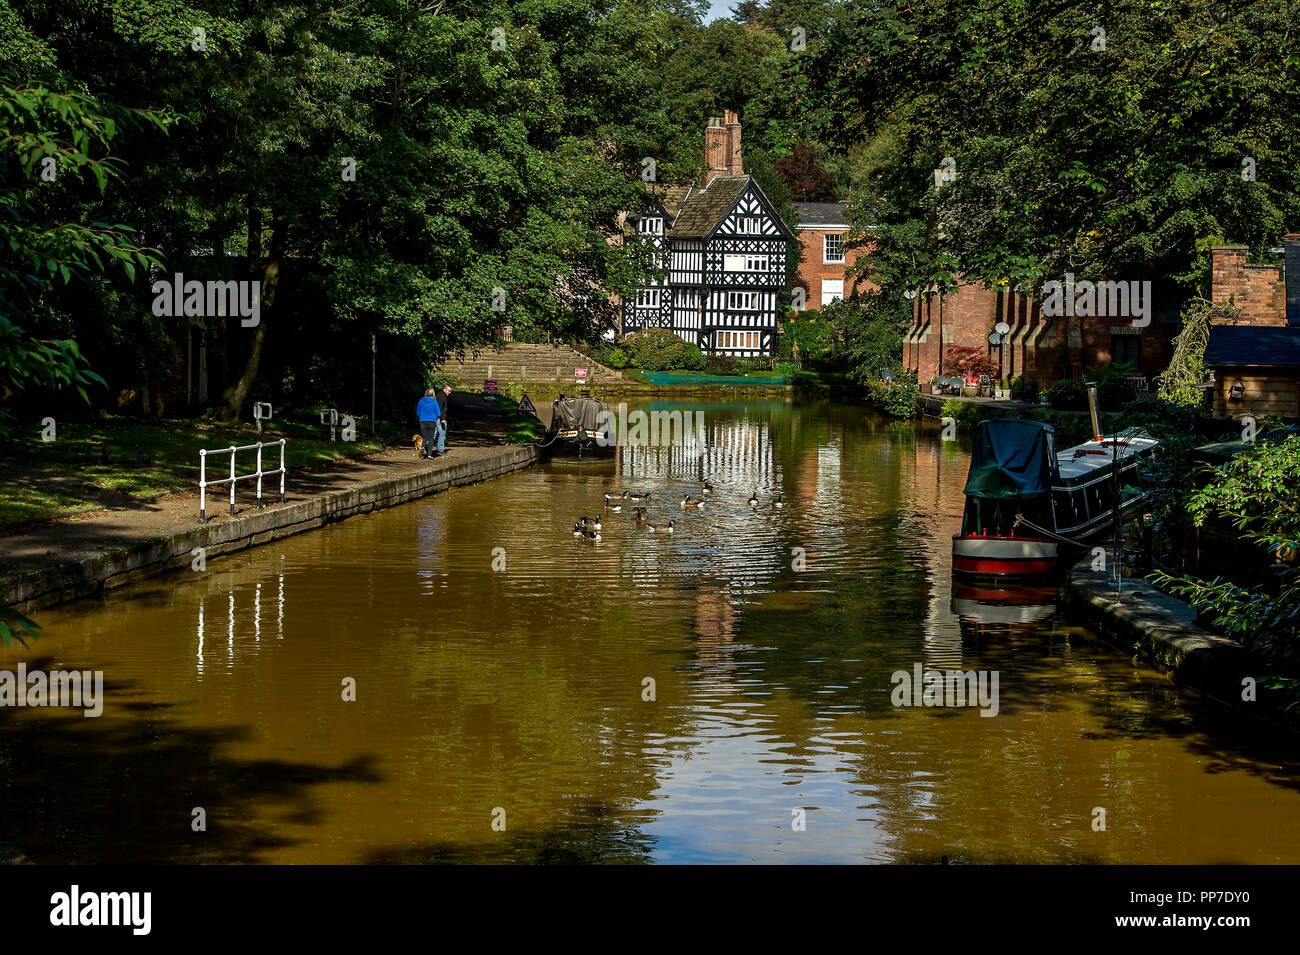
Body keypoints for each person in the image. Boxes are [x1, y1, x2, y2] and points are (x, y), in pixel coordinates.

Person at [416, 387, 442, 458]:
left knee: (425, 437)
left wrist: (422, 416)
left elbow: (418, 412)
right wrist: (434, 417)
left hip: (423, 421)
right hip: (432, 422)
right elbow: (439, 414)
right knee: (430, 439)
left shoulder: (421, 401)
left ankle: (423, 447)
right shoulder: (434, 402)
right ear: (433, 393)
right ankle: (429, 455)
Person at [434, 384, 453, 455]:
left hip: (436, 417)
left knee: (434, 433)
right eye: (448, 391)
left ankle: (427, 446)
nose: (449, 392)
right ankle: (440, 449)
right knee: (442, 433)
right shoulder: (442, 397)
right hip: (439, 418)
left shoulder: (440, 395)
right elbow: (440, 409)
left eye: (450, 391)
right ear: (444, 389)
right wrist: (442, 418)